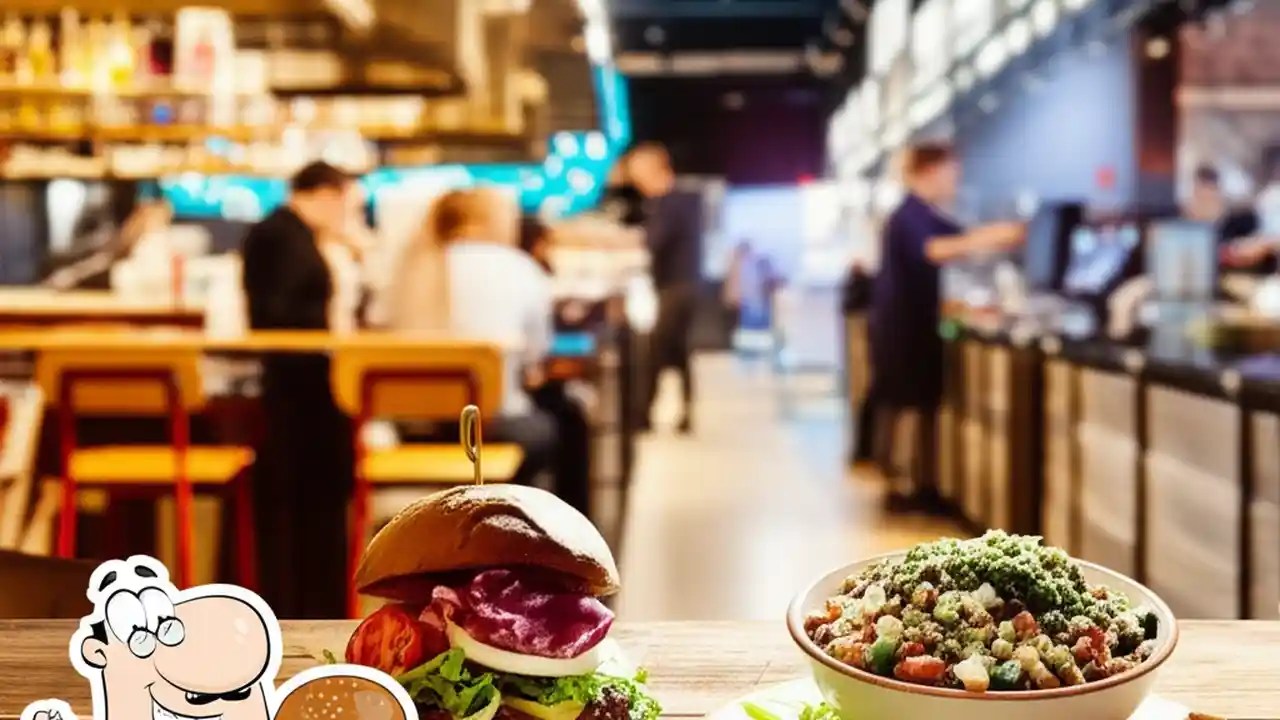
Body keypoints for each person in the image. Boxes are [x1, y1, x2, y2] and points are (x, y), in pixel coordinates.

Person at [871, 143, 1024, 510]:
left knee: (921, 405)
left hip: (917, 327)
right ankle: (904, 487)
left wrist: (986, 238)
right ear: (931, 171)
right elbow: (935, 249)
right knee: (908, 404)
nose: (955, 181)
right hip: (903, 332)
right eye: (951, 172)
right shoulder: (907, 215)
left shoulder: (923, 213)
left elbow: (958, 237)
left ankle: (919, 484)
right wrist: (993, 237)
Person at [240, 160, 356, 619]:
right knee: (309, 499)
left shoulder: (283, 233)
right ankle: (307, 605)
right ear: (325, 193)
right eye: (347, 202)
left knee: (311, 497)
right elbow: (282, 314)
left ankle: (313, 602)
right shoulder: (283, 236)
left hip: (297, 388)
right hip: (298, 391)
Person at [387, 188, 558, 489]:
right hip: (490, 424)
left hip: (413, 425)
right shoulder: (517, 267)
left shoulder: (407, 270)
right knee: (553, 426)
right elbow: (536, 356)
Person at [629, 142, 702, 434]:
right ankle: (684, 414)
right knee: (678, 352)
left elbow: (653, 242)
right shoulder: (674, 201)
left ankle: (643, 414)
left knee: (656, 352)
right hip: (680, 286)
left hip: (677, 287)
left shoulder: (669, 202)